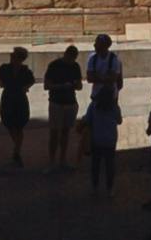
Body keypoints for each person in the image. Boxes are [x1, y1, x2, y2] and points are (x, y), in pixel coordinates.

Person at [82, 67, 122, 198]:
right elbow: (119, 120)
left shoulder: (94, 106)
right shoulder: (114, 107)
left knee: (96, 165)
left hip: (96, 139)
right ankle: (110, 189)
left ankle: (95, 187)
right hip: (110, 139)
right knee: (110, 165)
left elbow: (87, 120)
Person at [43, 42, 83, 170]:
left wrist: (74, 85)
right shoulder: (54, 66)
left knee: (66, 132)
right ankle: (51, 161)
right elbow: (46, 85)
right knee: (54, 132)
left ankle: (62, 160)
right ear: (65, 54)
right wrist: (61, 86)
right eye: (70, 58)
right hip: (56, 102)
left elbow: (80, 85)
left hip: (70, 102)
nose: (71, 61)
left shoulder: (75, 66)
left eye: (73, 58)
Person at [0, 44, 35, 165]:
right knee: (9, 123)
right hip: (8, 98)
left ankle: (17, 151)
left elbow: (32, 80)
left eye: (14, 55)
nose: (11, 57)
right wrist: (1, 82)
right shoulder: (5, 68)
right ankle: (17, 149)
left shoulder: (25, 70)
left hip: (20, 99)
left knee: (19, 125)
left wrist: (25, 88)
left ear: (19, 58)